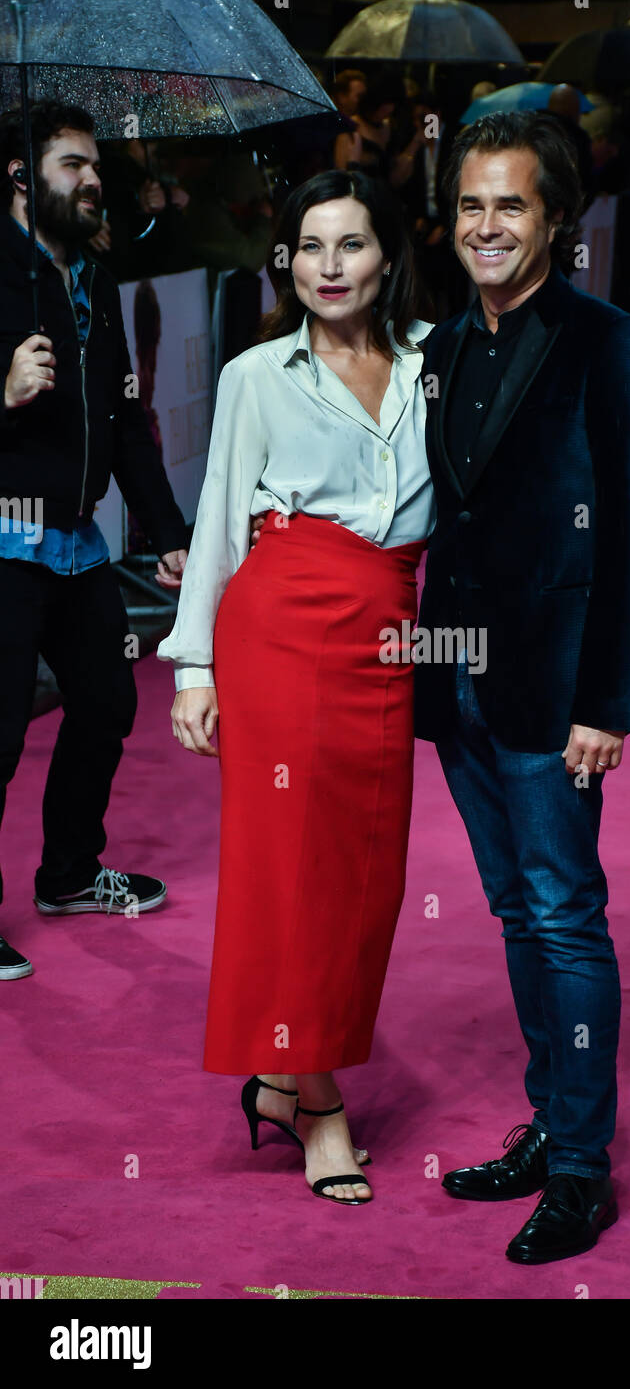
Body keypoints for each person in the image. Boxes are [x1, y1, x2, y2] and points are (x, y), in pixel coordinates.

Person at [413, 112, 630, 1263]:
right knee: (516, 910)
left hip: (556, 687)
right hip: (460, 683)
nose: (485, 226)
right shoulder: (443, 348)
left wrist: (607, 701)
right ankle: (547, 1119)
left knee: (566, 917)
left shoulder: (605, 340)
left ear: (556, 218)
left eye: (509, 205)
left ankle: (578, 1169)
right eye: (470, 204)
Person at [157, 169, 434, 1204]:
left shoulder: (429, 364)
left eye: (349, 244)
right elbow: (219, 514)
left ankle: (280, 1076)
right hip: (280, 626)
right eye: (308, 246)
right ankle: (317, 1103)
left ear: (387, 254)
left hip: (388, 639)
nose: (327, 266)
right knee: (290, 871)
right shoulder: (255, 374)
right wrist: (195, 664)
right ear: (287, 262)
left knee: (367, 877)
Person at [0, 101, 188, 983]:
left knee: (109, 704)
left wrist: (169, 533)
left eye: (95, 165)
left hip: (76, 543)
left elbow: (122, 417)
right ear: (19, 177)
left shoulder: (91, 280)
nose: (92, 180)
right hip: (3, 541)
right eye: (72, 164)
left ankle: (69, 875)